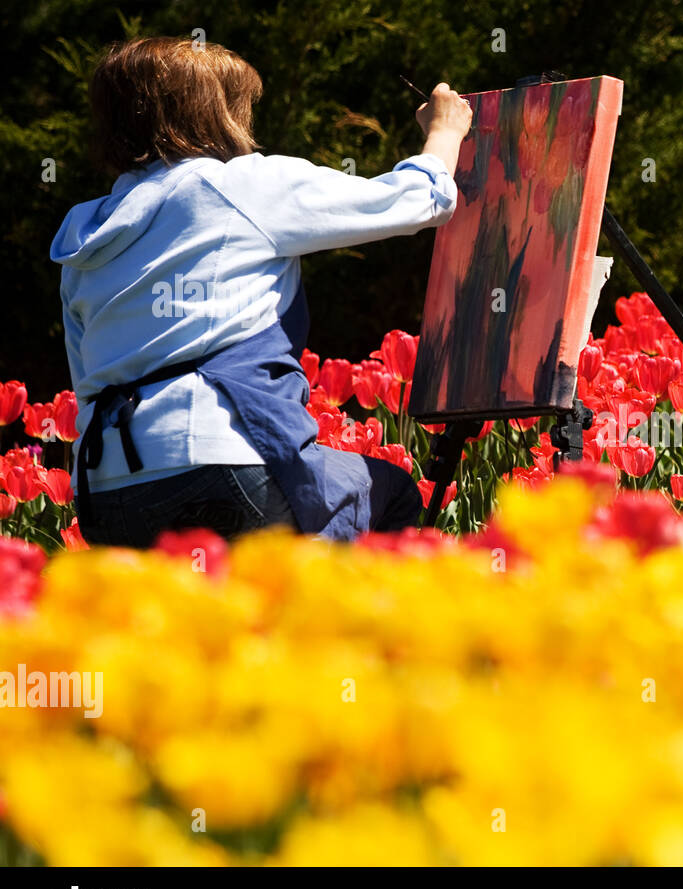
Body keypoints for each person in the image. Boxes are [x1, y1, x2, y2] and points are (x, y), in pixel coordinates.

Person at [50, 36, 473, 547]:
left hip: (106, 491)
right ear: (216, 115)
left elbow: (87, 379)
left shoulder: (83, 236)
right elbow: (417, 200)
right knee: (394, 495)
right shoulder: (239, 185)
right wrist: (445, 132)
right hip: (221, 462)